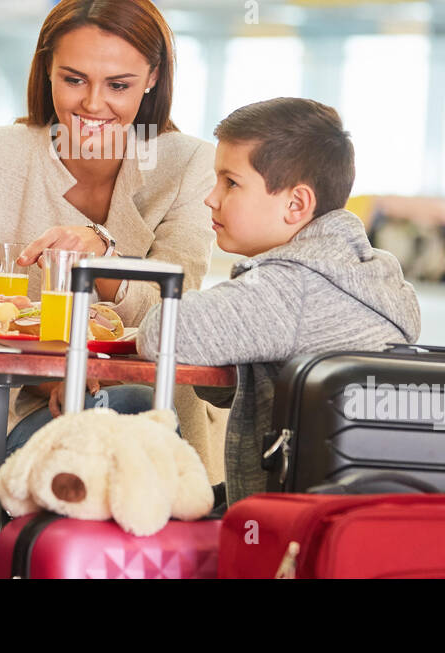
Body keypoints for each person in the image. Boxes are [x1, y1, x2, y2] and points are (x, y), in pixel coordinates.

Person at [0, 0, 224, 468]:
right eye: (73, 79)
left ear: (152, 77)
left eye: (118, 85)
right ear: (47, 67)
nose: (93, 104)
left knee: (128, 418)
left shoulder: (188, 164)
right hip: (23, 423)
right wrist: (45, 372)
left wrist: (102, 259)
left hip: (157, 431)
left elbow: (172, 316)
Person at [135, 97, 421, 506]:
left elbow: (161, 333)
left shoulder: (293, 287)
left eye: (230, 182)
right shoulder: (368, 276)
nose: (210, 198)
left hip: (287, 524)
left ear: (296, 204)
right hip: (348, 513)